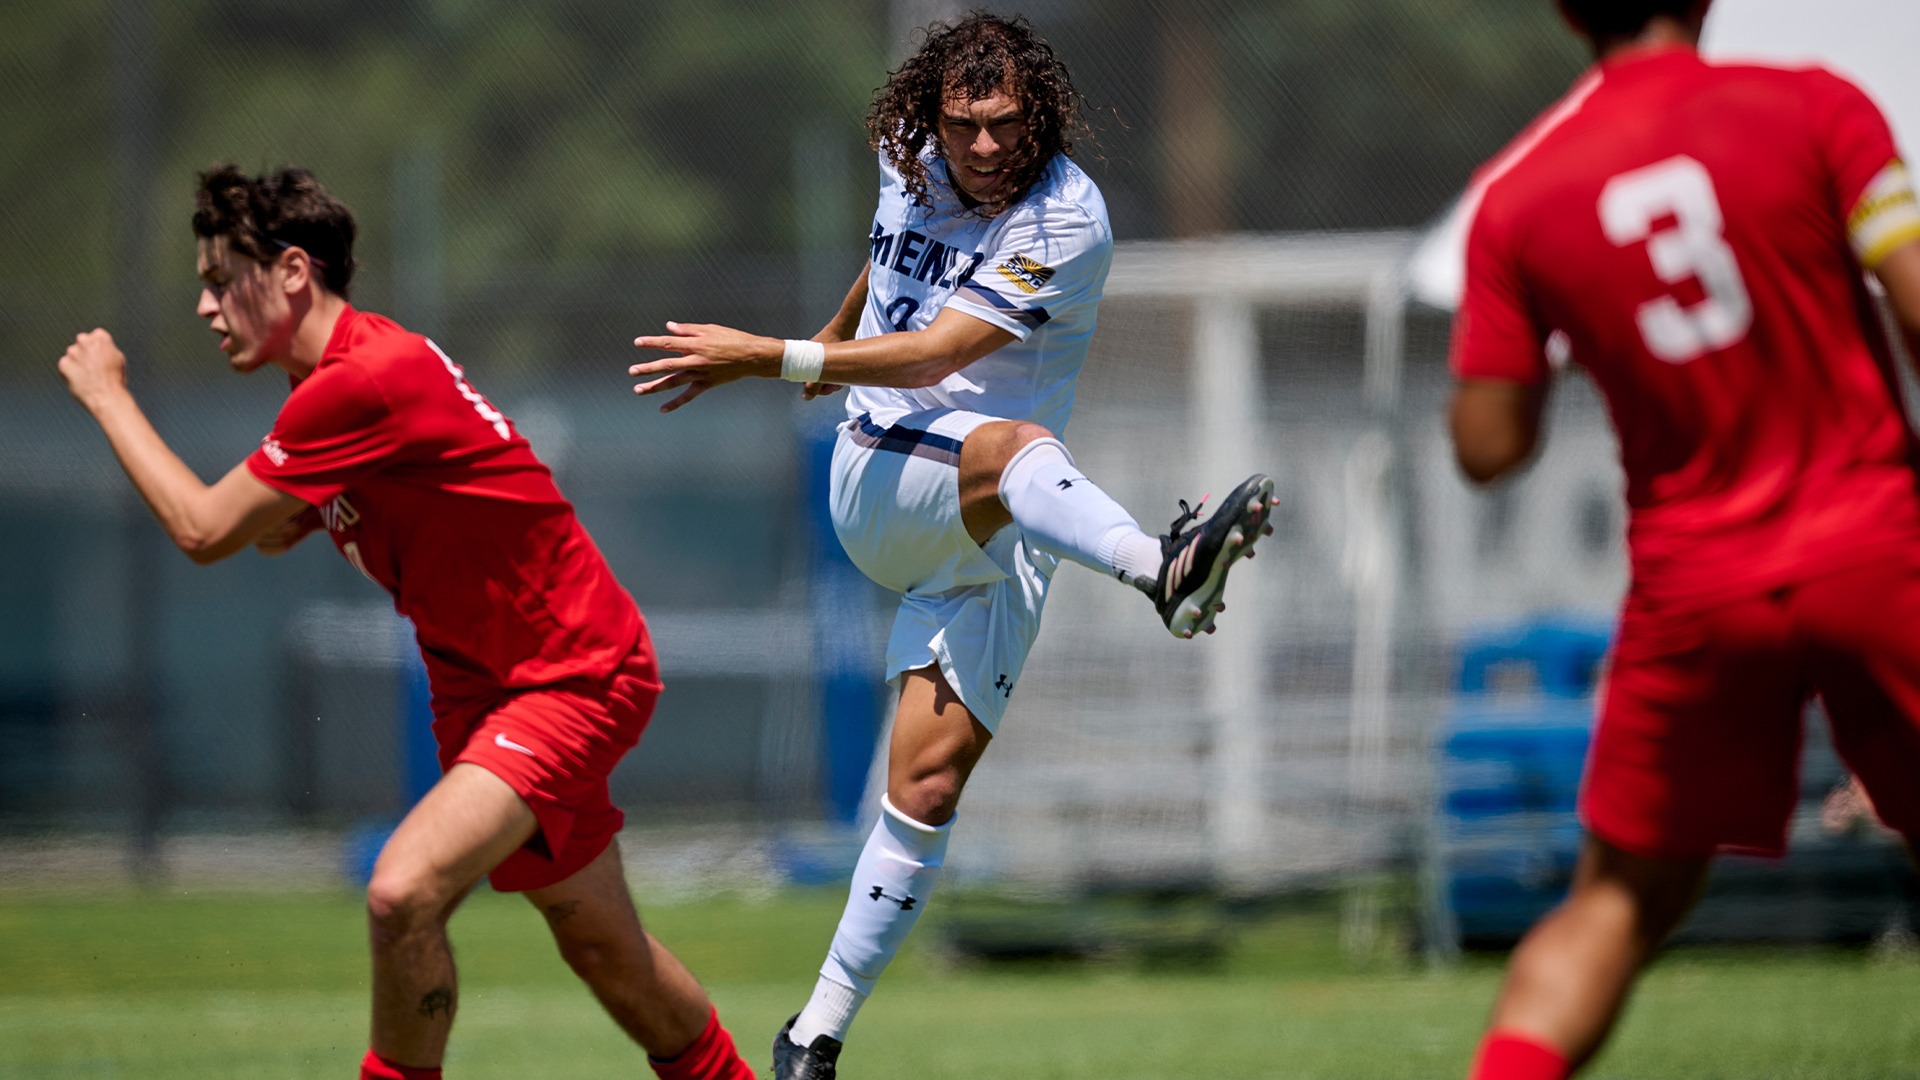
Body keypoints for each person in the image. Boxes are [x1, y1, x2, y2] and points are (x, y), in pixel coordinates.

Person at [626, 13, 1277, 1078]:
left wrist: (771, 357)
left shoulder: (1068, 219)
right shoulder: (907, 158)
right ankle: (1164, 571)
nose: (982, 147)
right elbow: (889, 288)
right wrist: (820, 355)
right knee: (1016, 445)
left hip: (1006, 519)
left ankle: (812, 1039)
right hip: (887, 481)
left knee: (924, 792)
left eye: (1005, 125)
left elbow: (941, 347)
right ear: (930, 114)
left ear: (1042, 117)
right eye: (963, 124)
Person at [56, 165, 756, 1080]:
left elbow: (203, 529)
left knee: (401, 892)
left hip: (570, 677)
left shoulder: (366, 379)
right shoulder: (339, 386)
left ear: (293, 271)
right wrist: (313, 508)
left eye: (223, 277)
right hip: (495, 691)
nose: (205, 303)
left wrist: (109, 395)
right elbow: (296, 523)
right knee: (605, 952)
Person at [1448, 2, 1920, 1078]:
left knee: (1615, 902)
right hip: (1876, 546)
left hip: (1696, 588)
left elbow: (1487, 444)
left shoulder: (1521, 196)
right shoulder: (1815, 108)